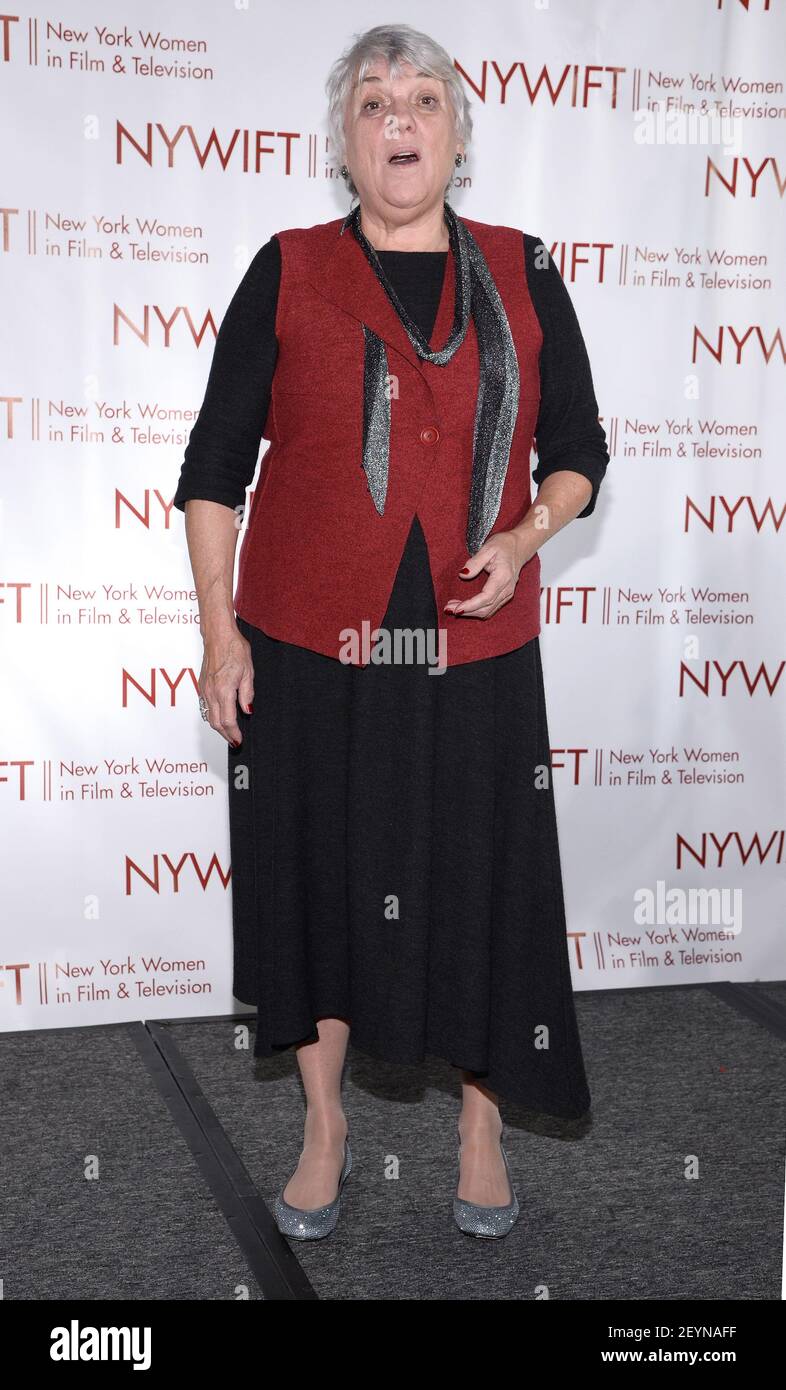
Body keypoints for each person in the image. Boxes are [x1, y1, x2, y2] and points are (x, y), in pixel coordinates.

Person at [173, 23, 609, 1241]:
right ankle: (325, 1124)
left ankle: (480, 1123)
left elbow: (579, 453)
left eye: (423, 99)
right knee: (315, 880)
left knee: (477, 881)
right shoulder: (290, 267)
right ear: (346, 139)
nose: (400, 119)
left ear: (458, 137)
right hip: (314, 646)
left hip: (471, 649)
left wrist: (522, 541)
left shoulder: (523, 271)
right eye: (374, 102)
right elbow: (214, 467)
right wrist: (220, 634)